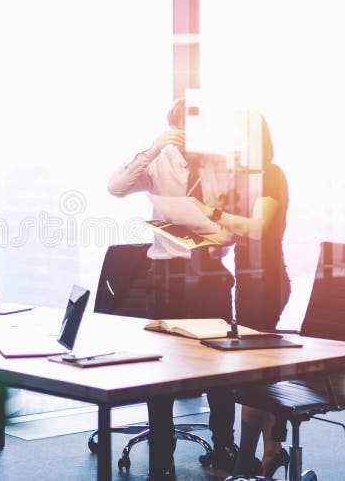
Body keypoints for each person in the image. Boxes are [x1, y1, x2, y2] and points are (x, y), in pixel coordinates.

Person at [107, 99, 237, 480]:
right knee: (161, 364)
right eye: (186, 127)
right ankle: (162, 448)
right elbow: (116, 187)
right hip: (166, 273)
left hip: (210, 271)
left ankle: (224, 443)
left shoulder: (221, 163)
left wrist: (219, 237)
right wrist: (153, 147)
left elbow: (232, 223)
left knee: (219, 363)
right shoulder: (159, 160)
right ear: (176, 127)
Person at [191, 113, 291, 478]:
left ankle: (247, 462)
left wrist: (214, 212)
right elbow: (231, 233)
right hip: (249, 283)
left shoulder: (271, 175)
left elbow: (259, 228)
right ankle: (271, 451)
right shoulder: (245, 180)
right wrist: (201, 238)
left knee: (253, 375)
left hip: (268, 285)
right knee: (259, 372)